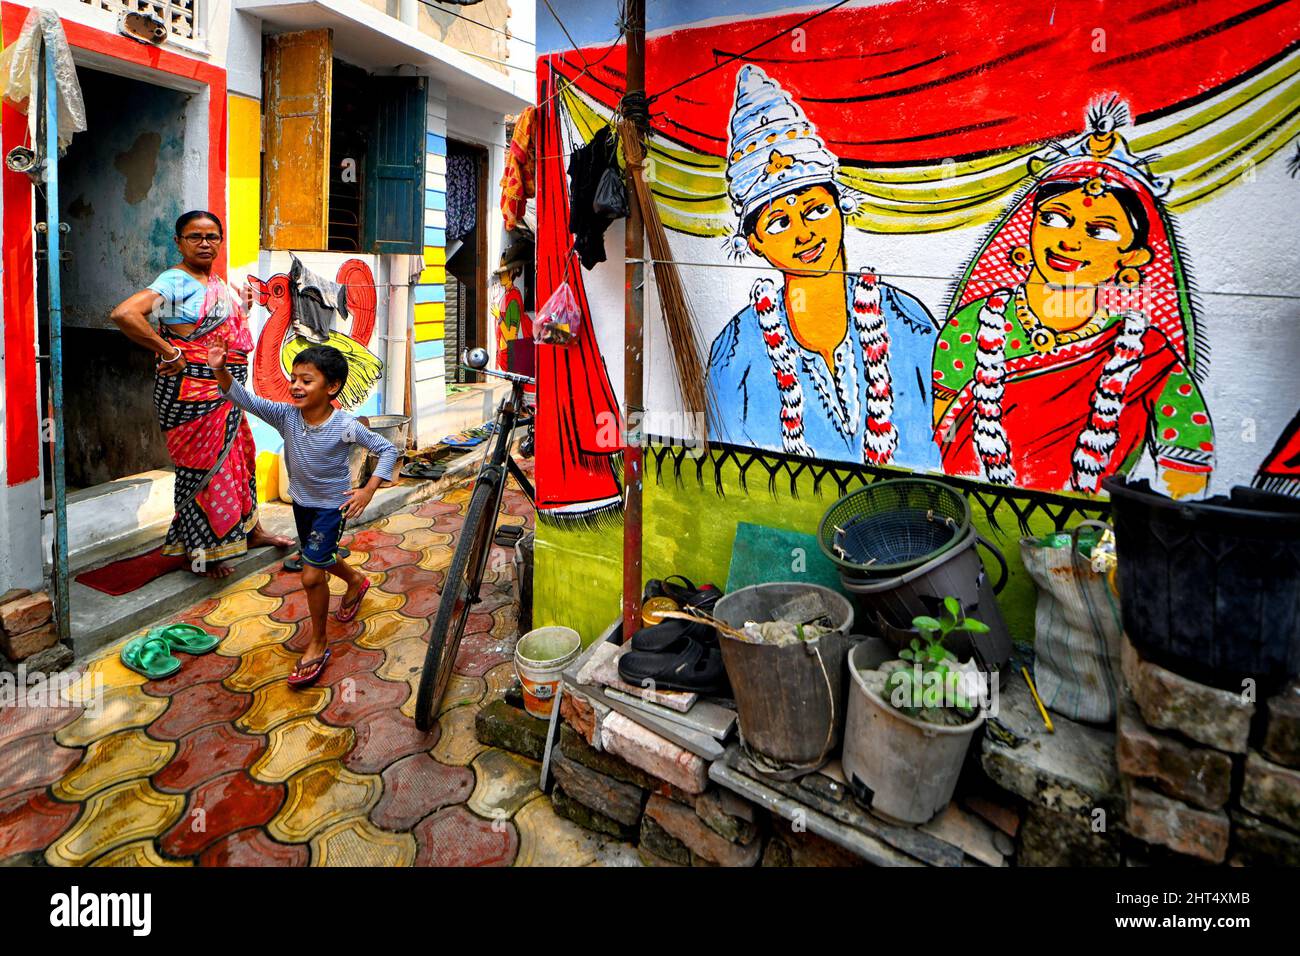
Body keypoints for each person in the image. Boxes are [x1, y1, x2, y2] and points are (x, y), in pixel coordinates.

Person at [933, 99, 1213, 496]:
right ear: (1026, 231)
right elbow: (938, 438)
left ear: (1132, 257)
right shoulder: (973, 327)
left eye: (1099, 231)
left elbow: (1187, 461)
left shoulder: (1147, 354)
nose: (1069, 240)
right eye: (1053, 219)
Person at [707, 65, 940, 468]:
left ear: (841, 209)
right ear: (754, 242)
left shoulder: (907, 321)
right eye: (779, 223)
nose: (803, 235)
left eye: (815, 211)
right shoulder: (737, 350)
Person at [109, 211, 292, 578]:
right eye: (195, 237)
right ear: (178, 242)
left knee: (239, 460)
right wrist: (169, 351)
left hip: (228, 392)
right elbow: (125, 313)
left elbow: (222, 330)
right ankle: (201, 552)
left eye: (212, 237)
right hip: (193, 395)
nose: (205, 243)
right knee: (204, 471)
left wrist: (243, 308)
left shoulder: (216, 282)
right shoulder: (174, 280)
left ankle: (250, 532)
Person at [206, 341, 398, 688]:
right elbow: (245, 399)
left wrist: (368, 490)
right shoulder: (286, 416)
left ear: (332, 387)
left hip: (331, 508)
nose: (296, 386)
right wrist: (220, 370)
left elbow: (387, 449)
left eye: (306, 381)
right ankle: (355, 581)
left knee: (311, 576)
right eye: (294, 378)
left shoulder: (345, 425)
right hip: (301, 504)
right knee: (317, 558)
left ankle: (319, 642)